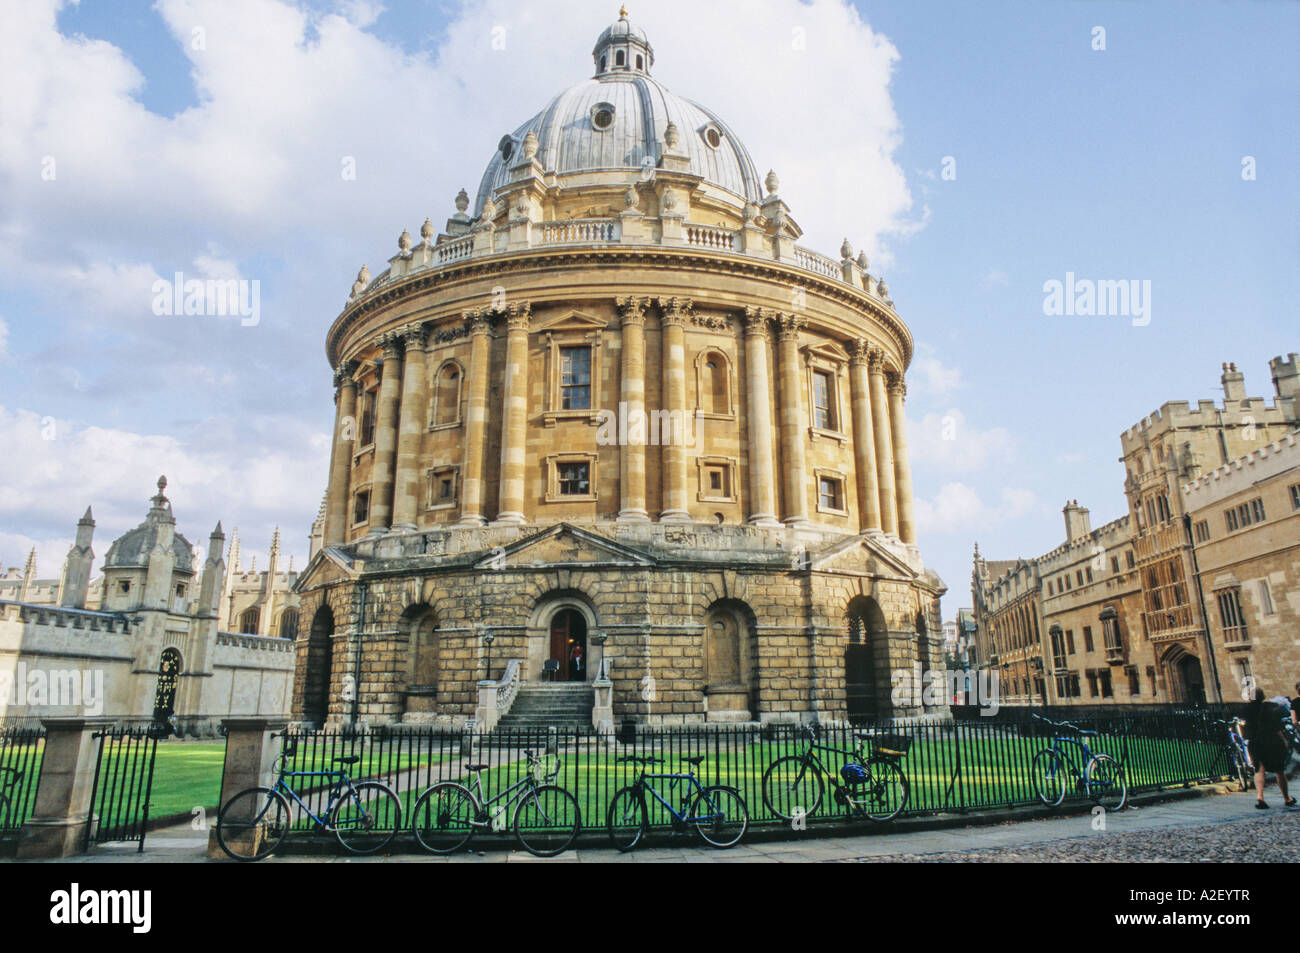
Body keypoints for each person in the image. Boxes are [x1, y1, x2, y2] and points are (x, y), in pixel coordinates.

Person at [1241, 688, 1294, 809]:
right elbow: (1276, 726)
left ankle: (1260, 797)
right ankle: (1287, 798)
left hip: (1255, 741)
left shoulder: (1246, 709)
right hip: (1271, 741)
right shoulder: (1269, 708)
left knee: (1259, 770)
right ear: (1262, 696)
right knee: (1279, 770)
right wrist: (1284, 740)